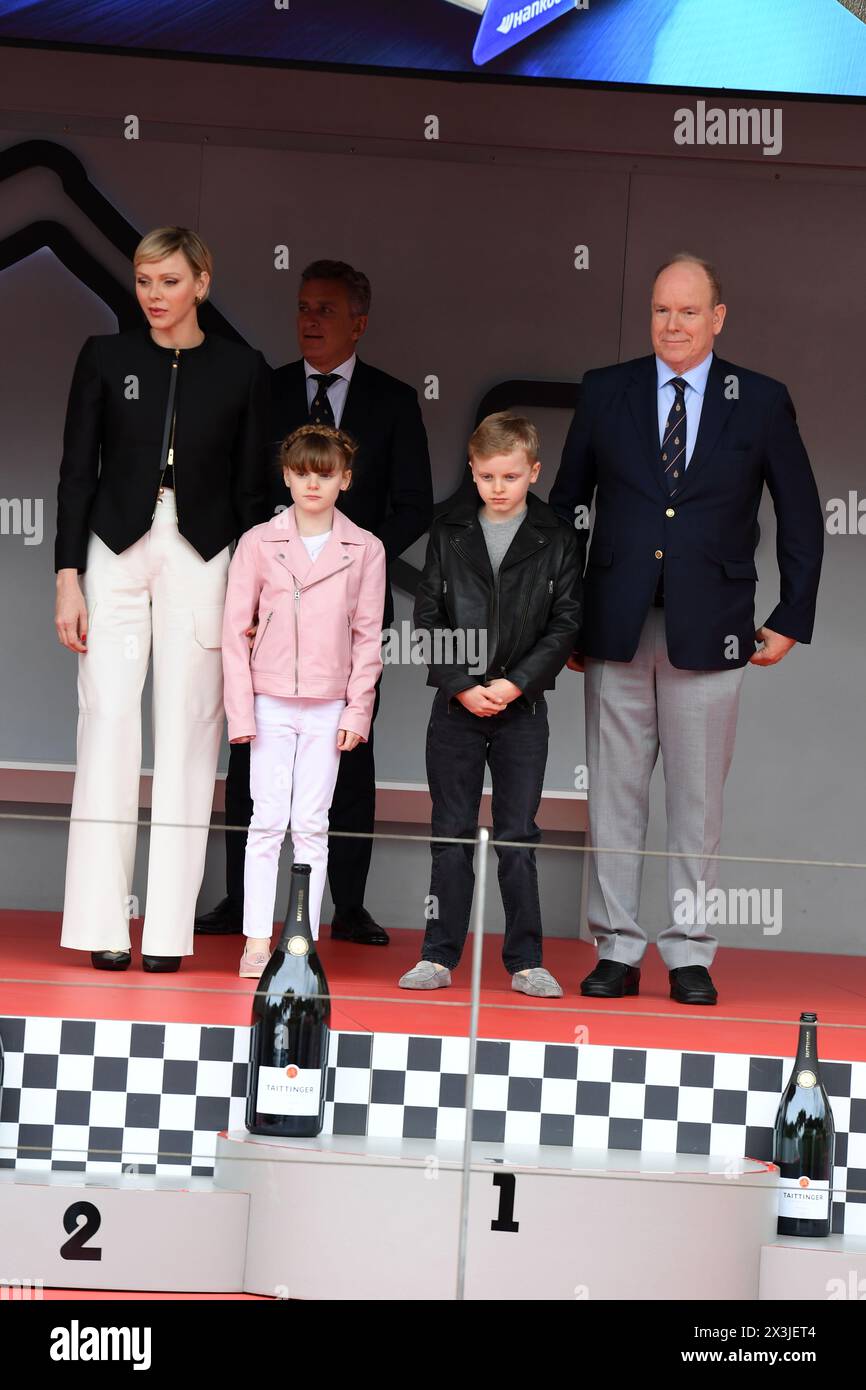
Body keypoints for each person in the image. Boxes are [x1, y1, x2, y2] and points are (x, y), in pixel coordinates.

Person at [549, 252, 824, 1006]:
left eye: (688, 311)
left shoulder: (762, 400)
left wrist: (791, 614)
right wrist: (562, 614)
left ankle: (689, 953)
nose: (673, 324)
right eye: (661, 310)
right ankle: (616, 948)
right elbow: (568, 508)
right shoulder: (608, 391)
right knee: (614, 794)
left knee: (697, 802)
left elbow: (800, 513)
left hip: (715, 628)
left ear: (718, 318)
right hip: (613, 624)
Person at [196, 258, 433, 946]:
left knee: (350, 755)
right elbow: (240, 491)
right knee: (251, 761)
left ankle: (347, 907)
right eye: (303, 306)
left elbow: (413, 503)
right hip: (271, 609)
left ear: (360, 321)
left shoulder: (392, 400)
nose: (310, 319)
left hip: (348, 614)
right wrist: (279, 553)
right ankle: (244, 904)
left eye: (327, 309)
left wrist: (349, 558)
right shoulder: (264, 391)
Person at [54, 226, 270, 973]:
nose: (154, 295)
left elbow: (253, 491)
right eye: (145, 281)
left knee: (187, 738)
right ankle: (103, 923)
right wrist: (66, 578)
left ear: (202, 283)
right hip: (112, 551)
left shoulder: (243, 369)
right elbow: (75, 471)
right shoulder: (105, 357)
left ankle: (169, 932)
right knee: (107, 725)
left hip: (206, 554)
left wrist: (250, 591)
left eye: (170, 281)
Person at [402, 412, 582, 996]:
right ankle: (437, 955)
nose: (497, 488)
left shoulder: (557, 537)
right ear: (472, 474)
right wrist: (460, 683)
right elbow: (426, 617)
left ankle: (526, 960)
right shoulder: (449, 531)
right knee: (450, 833)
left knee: (517, 837)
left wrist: (516, 684)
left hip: (522, 711)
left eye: (509, 476)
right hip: (455, 708)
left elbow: (565, 625)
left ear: (533, 470)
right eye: (485, 477)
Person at [221, 424, 386, 975]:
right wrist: (240, 712)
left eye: (326, 474)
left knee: (312, 825)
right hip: (268, 700)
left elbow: (368, 637)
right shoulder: (257, 541)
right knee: (266, 822)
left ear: (345, 479)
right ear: (287, 476)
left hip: (329, 705)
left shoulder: (365, 547)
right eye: (302, 473)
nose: (313, 484)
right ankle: (253, 940)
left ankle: (301, 945)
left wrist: (358, 710)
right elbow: (232, 630)